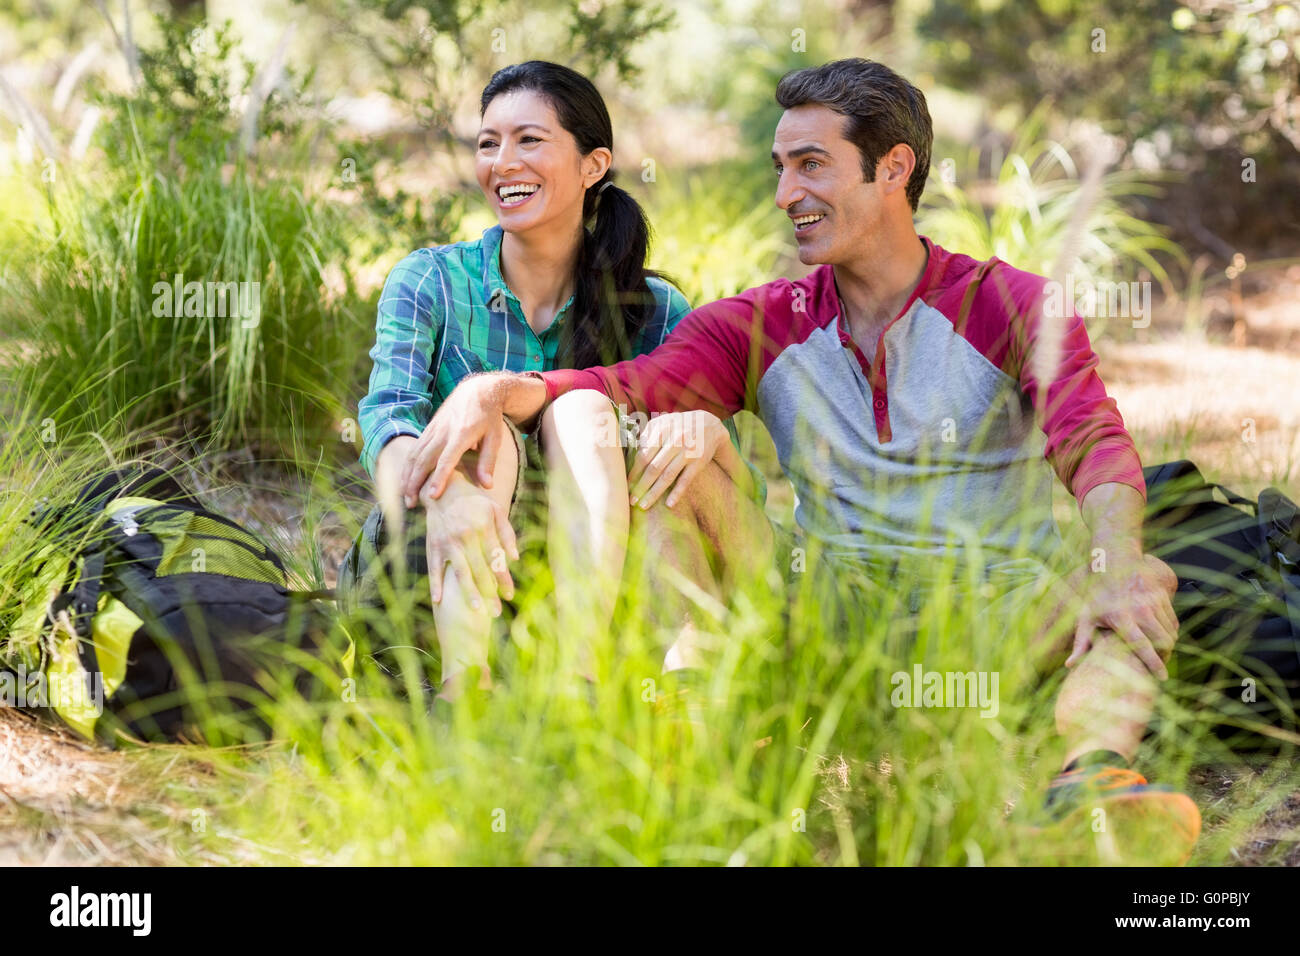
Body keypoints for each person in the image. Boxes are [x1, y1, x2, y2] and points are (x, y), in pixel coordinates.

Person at [400, 58, 1202, 861]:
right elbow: (626, 385)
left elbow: (1092, 444)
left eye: (811, 165)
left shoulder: (1010, 302)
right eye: (781, 169)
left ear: (893, 169)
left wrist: (1118, 557)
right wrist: (491, 390)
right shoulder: (765, 320)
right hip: (823, 628)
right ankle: (683, 741)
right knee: (661, 456)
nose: (786, 194)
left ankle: (1089, 783)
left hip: (997, 626)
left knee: (1140, 576)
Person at [340, 61, 761, 702]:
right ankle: (461, 696)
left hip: (589, 589)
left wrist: (704, 433)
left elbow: (712, 489)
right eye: (489, 143)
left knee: (586, 412)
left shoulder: (654, 310)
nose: (503, 162)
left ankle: (586, 685)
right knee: (487, 439)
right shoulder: (431, 281)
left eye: (529, 140)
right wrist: (445, 491)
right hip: (434, 570)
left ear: (593, 166)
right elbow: (387, 421)